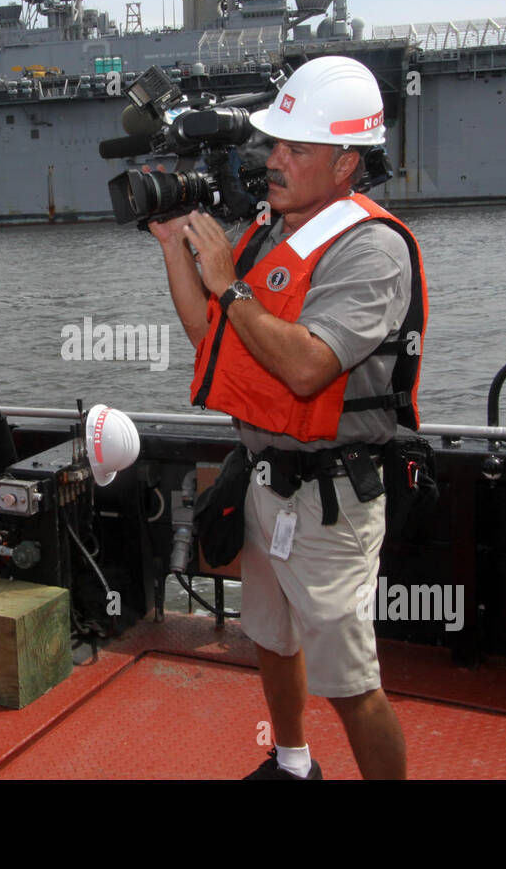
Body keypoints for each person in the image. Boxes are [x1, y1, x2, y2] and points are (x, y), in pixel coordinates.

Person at [150, 56, 427, 780]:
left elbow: (308, 366)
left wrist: (229, 284)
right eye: (274, 143)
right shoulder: (271, 233)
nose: (272, 159)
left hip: (332, 498)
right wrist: (173, 250)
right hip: (267, 483)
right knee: (270, 636)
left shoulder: (374, 249)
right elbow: (211, 339)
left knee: (352, 684)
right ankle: (295, 763)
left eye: (294, 148)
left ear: (344, 163)